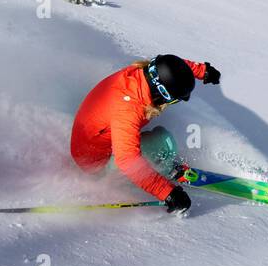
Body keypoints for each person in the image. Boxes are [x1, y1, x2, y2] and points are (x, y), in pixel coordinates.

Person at [69, 54, 221, 215]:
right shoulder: (128, 109)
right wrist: (167, 192)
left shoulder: (140, 74)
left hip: (93, 146)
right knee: (164, 143)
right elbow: (128, 160)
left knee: (160, 138)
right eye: (174, 100)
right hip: (97, 166)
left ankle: (156, 168)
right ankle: (167, 171)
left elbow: (170, 66)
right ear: (162, 92)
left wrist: (202, 71)